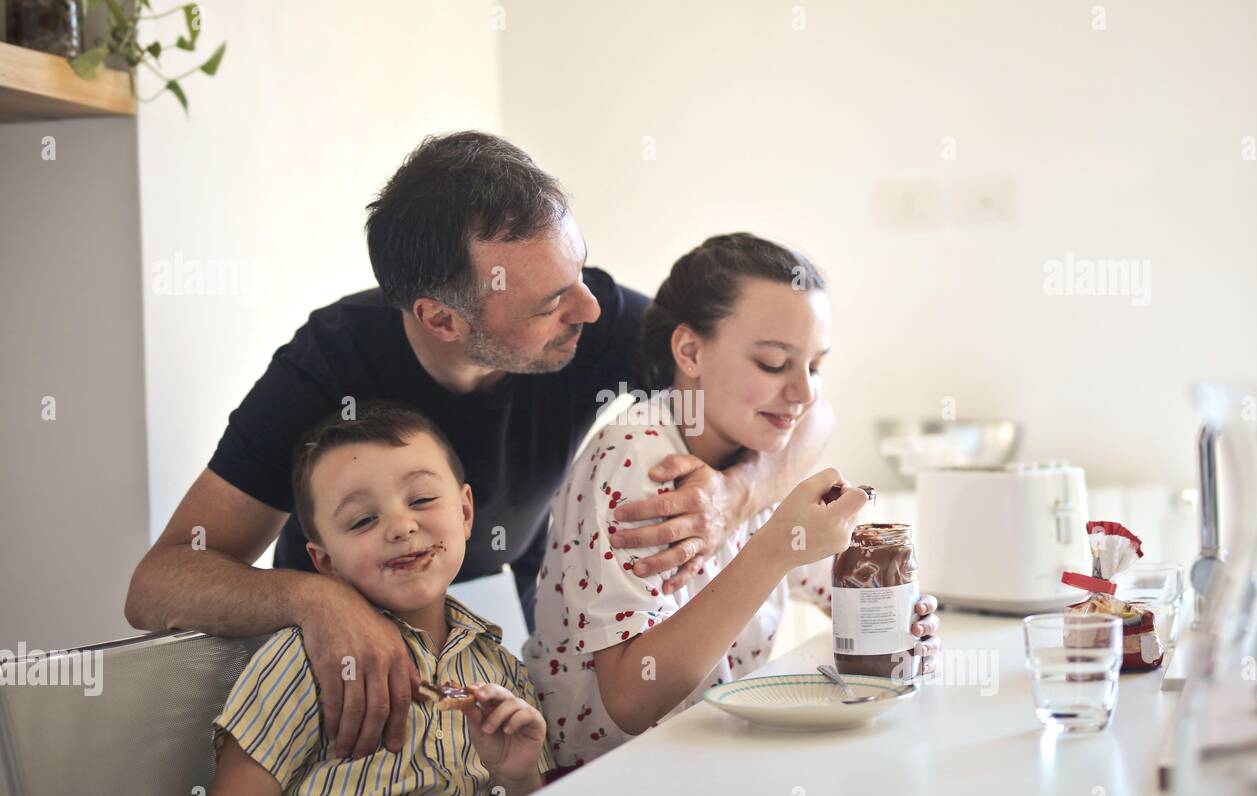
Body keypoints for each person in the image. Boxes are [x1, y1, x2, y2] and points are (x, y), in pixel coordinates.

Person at [125, 132, 831, 762]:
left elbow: (808, 409)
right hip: (352, 694)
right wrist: (317, 601)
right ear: (441, 318)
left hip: (500, 671)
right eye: (549, 302)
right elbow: (158, 583)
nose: (587, 307)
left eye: (579, 273)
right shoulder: (327, 365)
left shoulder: (590, 316)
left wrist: (737, 496)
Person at [524, 234, 941, 767]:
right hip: (610, 780)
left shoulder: (757, 456)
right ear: (691, 351)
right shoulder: (637, 461)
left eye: (814, 366)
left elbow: (837, 586)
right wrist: (774, 550)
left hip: (712, 756)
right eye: (773, 363)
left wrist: (900, 616)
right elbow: (629, 701)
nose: (805, 393)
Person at [202, 402, 550, 796]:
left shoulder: (505, 674)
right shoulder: (304, 661)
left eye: (421, 499)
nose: (401, 527)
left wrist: (517, 778)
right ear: (326, 561)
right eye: (363, 520)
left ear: (465, 512)